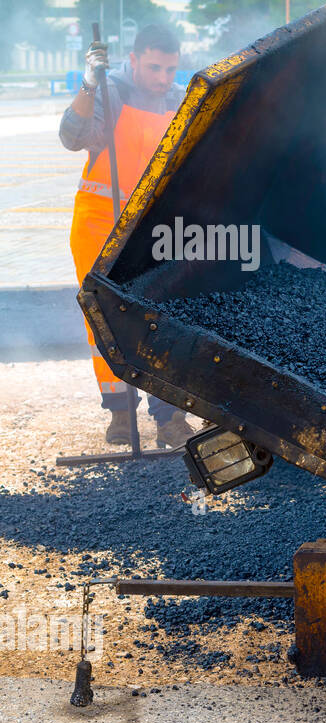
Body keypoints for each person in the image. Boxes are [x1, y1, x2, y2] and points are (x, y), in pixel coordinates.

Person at [60, 23, 196, 448]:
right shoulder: (109, 91)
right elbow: (72, 137)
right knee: (103, 316)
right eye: (154, 67)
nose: (162, 78)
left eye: (170, 69)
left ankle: (168, 417)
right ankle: (120, 412)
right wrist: (88, 83)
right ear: (134, 59)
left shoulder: (179, 100)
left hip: (153, 227)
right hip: (99, 220)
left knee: (162, 318)